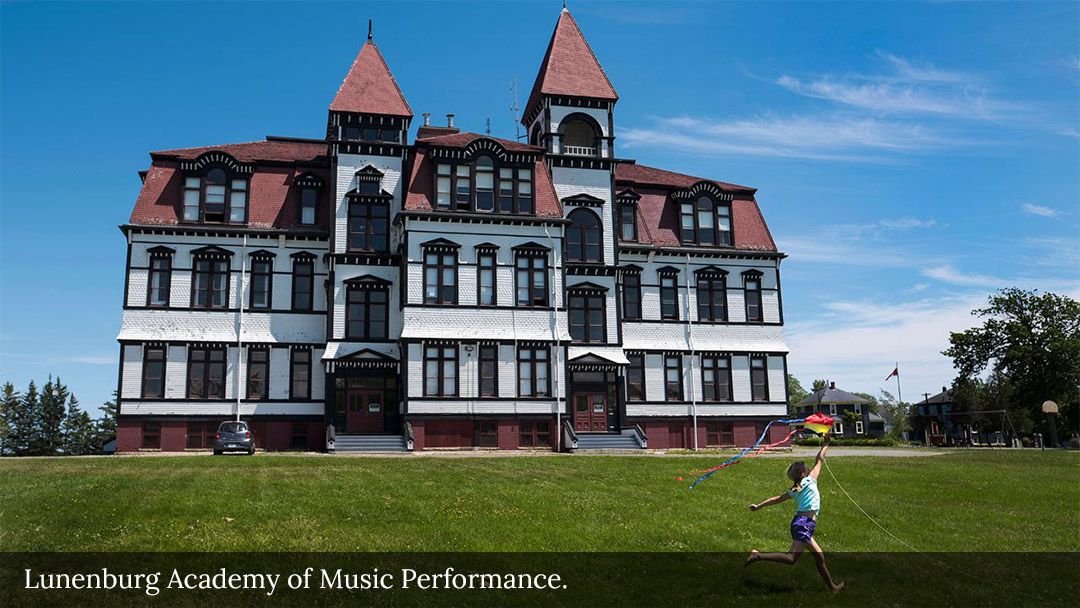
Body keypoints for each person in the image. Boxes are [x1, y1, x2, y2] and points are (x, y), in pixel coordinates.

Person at [744, 434, 844, 593]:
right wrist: (826, 444)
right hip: (804, 524)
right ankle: (758, 556)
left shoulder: (795, 488)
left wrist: (759, 506)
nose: (809, 469)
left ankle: (832, 587)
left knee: (819, 557)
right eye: (806, 468)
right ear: (803, 473)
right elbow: (819, 459)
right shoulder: (810, 480)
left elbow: (777, 499)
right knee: (791, 559)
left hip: (802, 523)